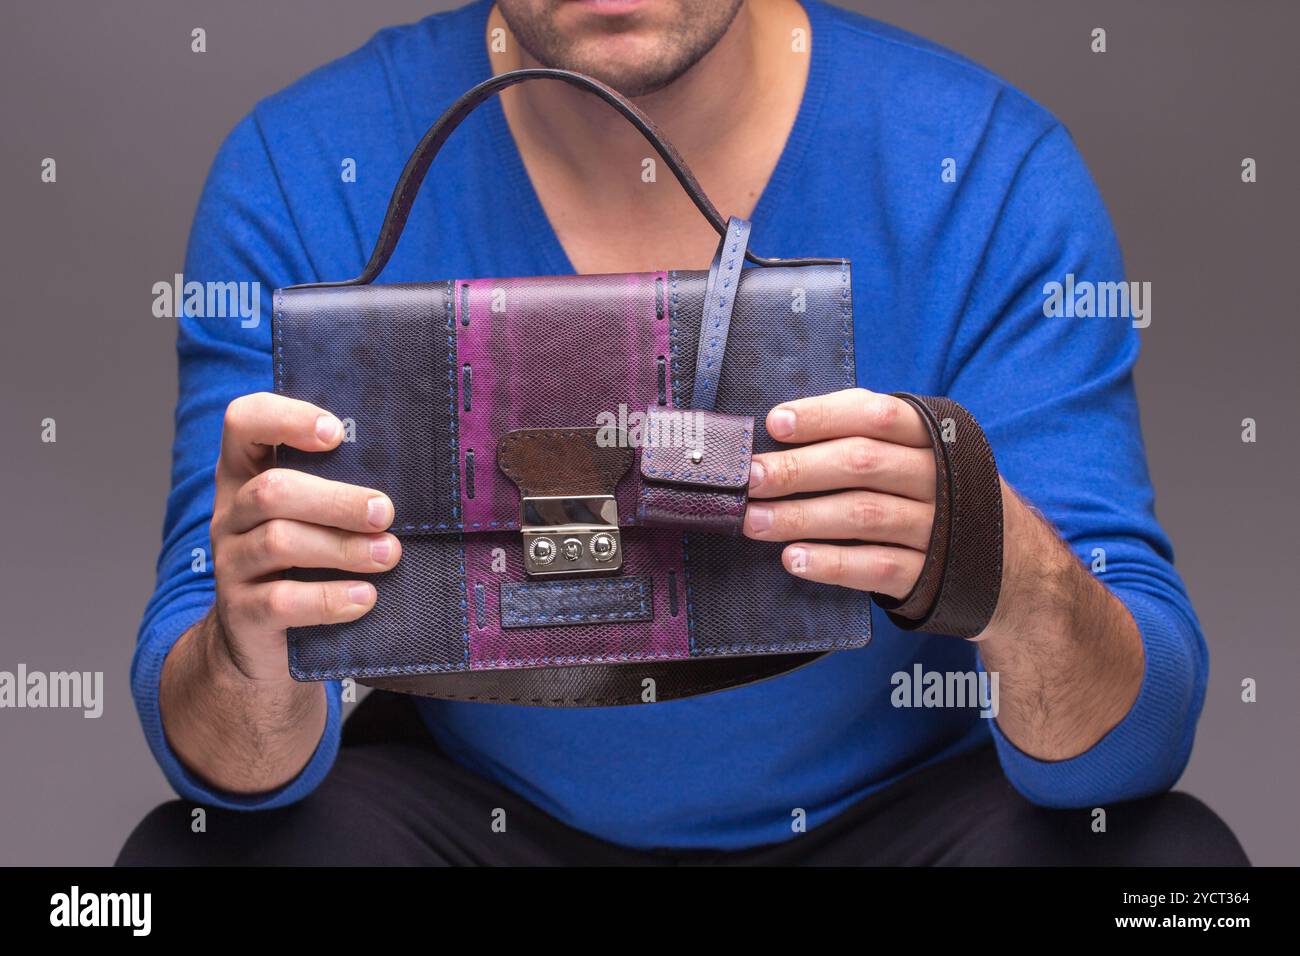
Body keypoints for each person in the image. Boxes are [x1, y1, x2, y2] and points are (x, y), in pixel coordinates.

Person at [119, 0, 1247, 865]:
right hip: (492, 819)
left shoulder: (986, 169)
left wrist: (1006, 572)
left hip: (895, 821)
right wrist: (248, 647)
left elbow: (1134, 741)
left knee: (1168, 874)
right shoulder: (299, 167)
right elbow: (221, 759)